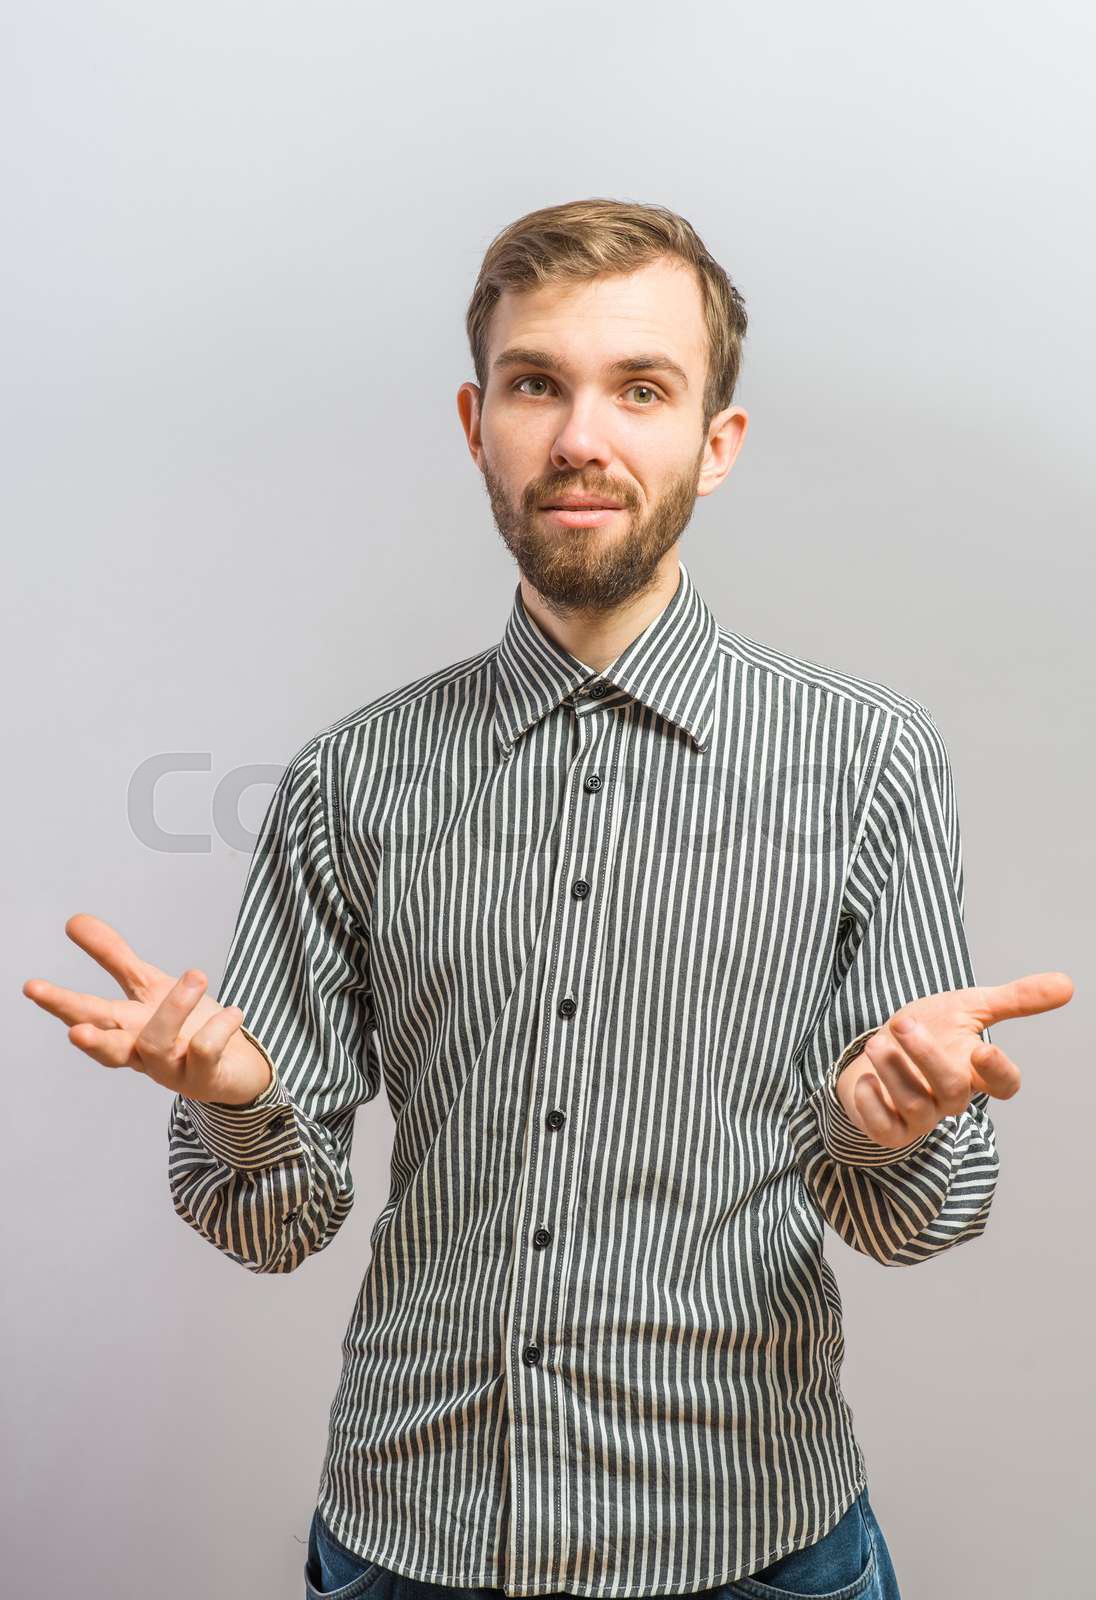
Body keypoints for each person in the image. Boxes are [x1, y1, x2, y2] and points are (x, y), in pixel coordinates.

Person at [24, 197, 1072, 1600]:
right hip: (415, 1539)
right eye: (538, 384)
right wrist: (231, 1095)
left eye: (642, 389)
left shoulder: (871, 763)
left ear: (717, 442)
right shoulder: (354, 779)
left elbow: (914, 1219)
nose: (583, 437)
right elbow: (271, 1221)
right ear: (478, 423)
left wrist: (886, 1126)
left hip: (753, 1540)